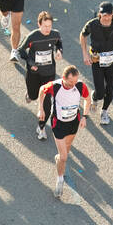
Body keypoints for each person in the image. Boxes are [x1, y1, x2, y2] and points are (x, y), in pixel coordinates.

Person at [38, 67, 90, 198]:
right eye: (70, 82)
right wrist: (41, 109)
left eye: (75, 82)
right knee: (64, 157)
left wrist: (85, 116)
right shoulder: (55, 86)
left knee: (65, 152)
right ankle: (60, 180)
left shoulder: (80, 85)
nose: (73, 85)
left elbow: (88, 99)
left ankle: (59, 159)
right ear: (64, 78)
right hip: (59, 124)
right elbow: (41, 90)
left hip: (73, 123)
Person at [80, 3, 113, 126]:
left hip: (112, 60)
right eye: (104, 15)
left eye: (109, 15)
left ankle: (104, 111)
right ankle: (95, 96)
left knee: (110, 89)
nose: (107, 18)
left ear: (112, 14)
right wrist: (85, 54)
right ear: (99, 14)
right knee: (100, 91)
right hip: (97, 61)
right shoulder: (92, 24)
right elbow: (83, 36)